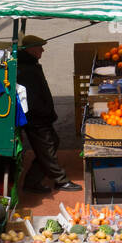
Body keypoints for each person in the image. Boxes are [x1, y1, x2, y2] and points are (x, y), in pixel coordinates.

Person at [17, 35, 79, 193]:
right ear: (30, 49)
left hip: (41, 116)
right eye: (39, 47)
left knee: (50, 145)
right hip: (37, 119)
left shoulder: (30, 64)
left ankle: (32, 180)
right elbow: (32, 98)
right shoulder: (26, 69)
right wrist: (44, 112)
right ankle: (60, 180)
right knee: (47, 148)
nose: (42, 50)